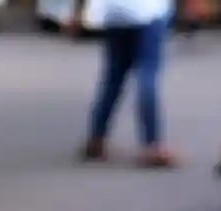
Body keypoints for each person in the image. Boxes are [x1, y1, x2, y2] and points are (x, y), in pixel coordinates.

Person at [72, 0, 207, 167]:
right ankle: (152, 145)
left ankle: (96, 139)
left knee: (113, 77)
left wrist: (77, 11)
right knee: (147, 73)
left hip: (113, 12)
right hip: (148, 10)